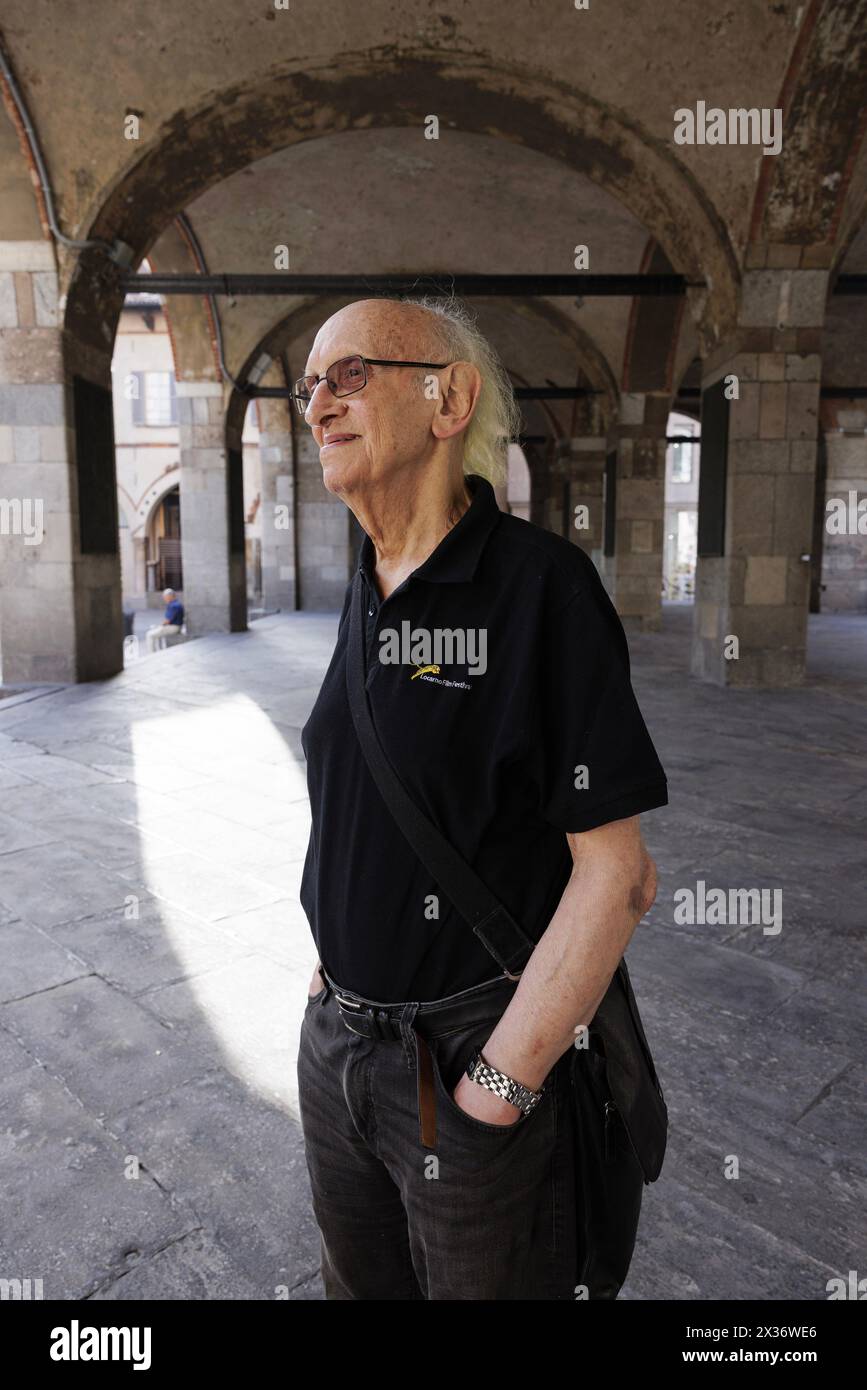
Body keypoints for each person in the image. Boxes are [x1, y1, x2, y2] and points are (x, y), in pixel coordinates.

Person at [295, 295, 668, 1300]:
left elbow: (619, 875)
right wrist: (331, 989)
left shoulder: (541, 588)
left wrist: (497, 1089)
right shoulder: (368, 583)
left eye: (351, 373)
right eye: (307, 385)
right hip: (339, 1046)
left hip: (467, 1059)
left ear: (449, 398)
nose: (318, 401)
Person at [145, 588, 184, 653]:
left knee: (149, 635)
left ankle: (151, 653)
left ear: (170, 596)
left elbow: (168, 621)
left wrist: (161, 625)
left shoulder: (174, 605)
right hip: (176, 626)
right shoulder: (176, 604)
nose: (164, 599)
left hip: (173, 627)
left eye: (165, 597)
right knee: (155, 630)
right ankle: (158, 650)